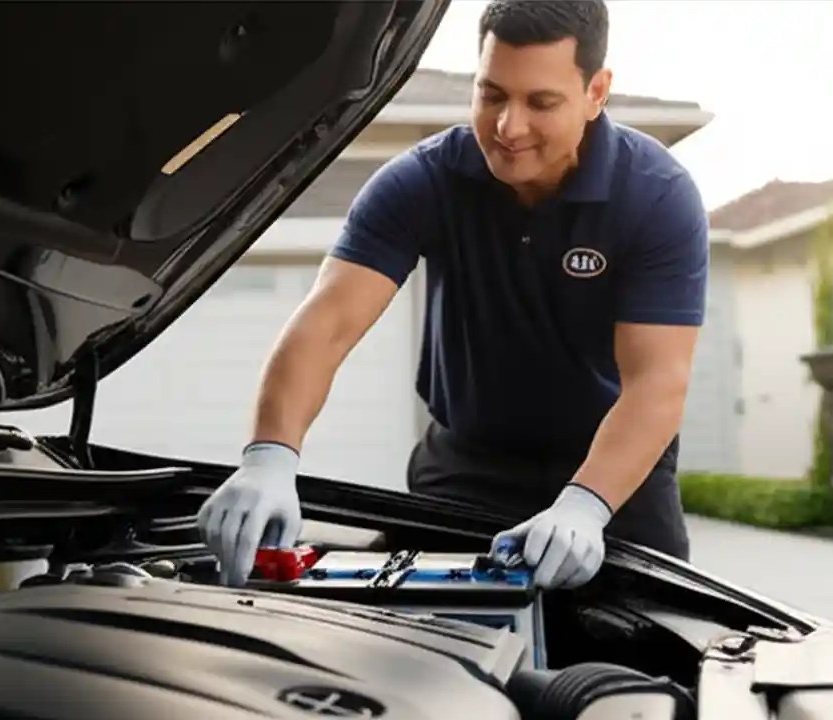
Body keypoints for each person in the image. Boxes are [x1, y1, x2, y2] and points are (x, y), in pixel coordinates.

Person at [196, 0, 709, 590]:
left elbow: (657, 383)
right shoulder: (421, 181)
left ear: (596, 92)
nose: (508, 126)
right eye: (492, 94)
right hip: (467, 465)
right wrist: (270, 456)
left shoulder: (657, 197)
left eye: (540, 102)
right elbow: (327, 325)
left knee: (649, 660)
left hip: (616, 473)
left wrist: (586, 505)